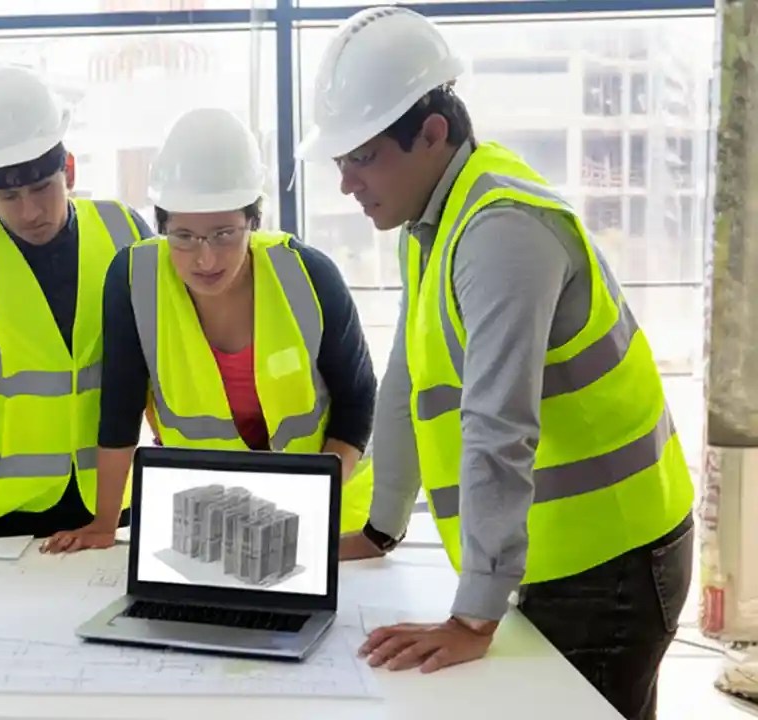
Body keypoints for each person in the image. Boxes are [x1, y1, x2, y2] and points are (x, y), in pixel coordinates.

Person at [297, 7, 695, 720]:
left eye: (362, 157)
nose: (346, 183)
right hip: (558, 556)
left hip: (613, 563)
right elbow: (409, 381)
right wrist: (382, 526)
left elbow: (496, 422)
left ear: (432, 133)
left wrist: (472, 612)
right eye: (340, 160)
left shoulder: (500, 230)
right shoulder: (430, 221)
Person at [41, 107, 377, 554]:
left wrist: (309, 507)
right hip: (211, 521)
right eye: (183, 236)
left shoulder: (308, 275)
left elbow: (358, 401)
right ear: (161, 227)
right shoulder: (134, 279)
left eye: (224, 234)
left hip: (330, 525)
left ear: (253, 223)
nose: (206, 260)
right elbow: (120, 407)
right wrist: (105, 523)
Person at [0, 65, 157, 540]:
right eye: (8, 196)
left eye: (42, 188)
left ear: (67, 169)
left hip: (111, 504)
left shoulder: (125, 233)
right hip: (2, 512)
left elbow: (159, 368)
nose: (29, 212)